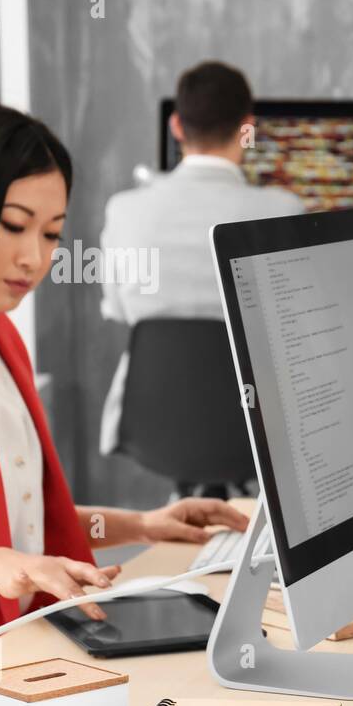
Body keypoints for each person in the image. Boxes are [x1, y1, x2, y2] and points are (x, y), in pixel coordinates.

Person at [0, 105, 248, 694]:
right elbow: (2, 557)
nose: (35, 258)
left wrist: (145, 524)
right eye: (14, 225)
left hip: (22, 659)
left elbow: (22, 526)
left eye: (53, 233)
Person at [97, 60, 303, 458]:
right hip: (259, 425)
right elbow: (290, 322)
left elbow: (120, 310)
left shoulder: (124, 209)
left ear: (176, 126)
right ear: (247, 130)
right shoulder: (286, 209)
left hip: (151, 417)